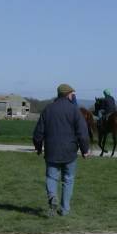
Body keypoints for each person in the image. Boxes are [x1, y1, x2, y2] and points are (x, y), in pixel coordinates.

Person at [33, 84, 90, 217]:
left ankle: (52, 196)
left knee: (51, 177)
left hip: (51, 151)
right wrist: (85, 150)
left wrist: (38, 147)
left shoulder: (48, 109)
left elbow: (38, 132)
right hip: (70, 151)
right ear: (69, 94)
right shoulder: (74, 110)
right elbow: (83, 132)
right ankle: (64, 210)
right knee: (68, 179)